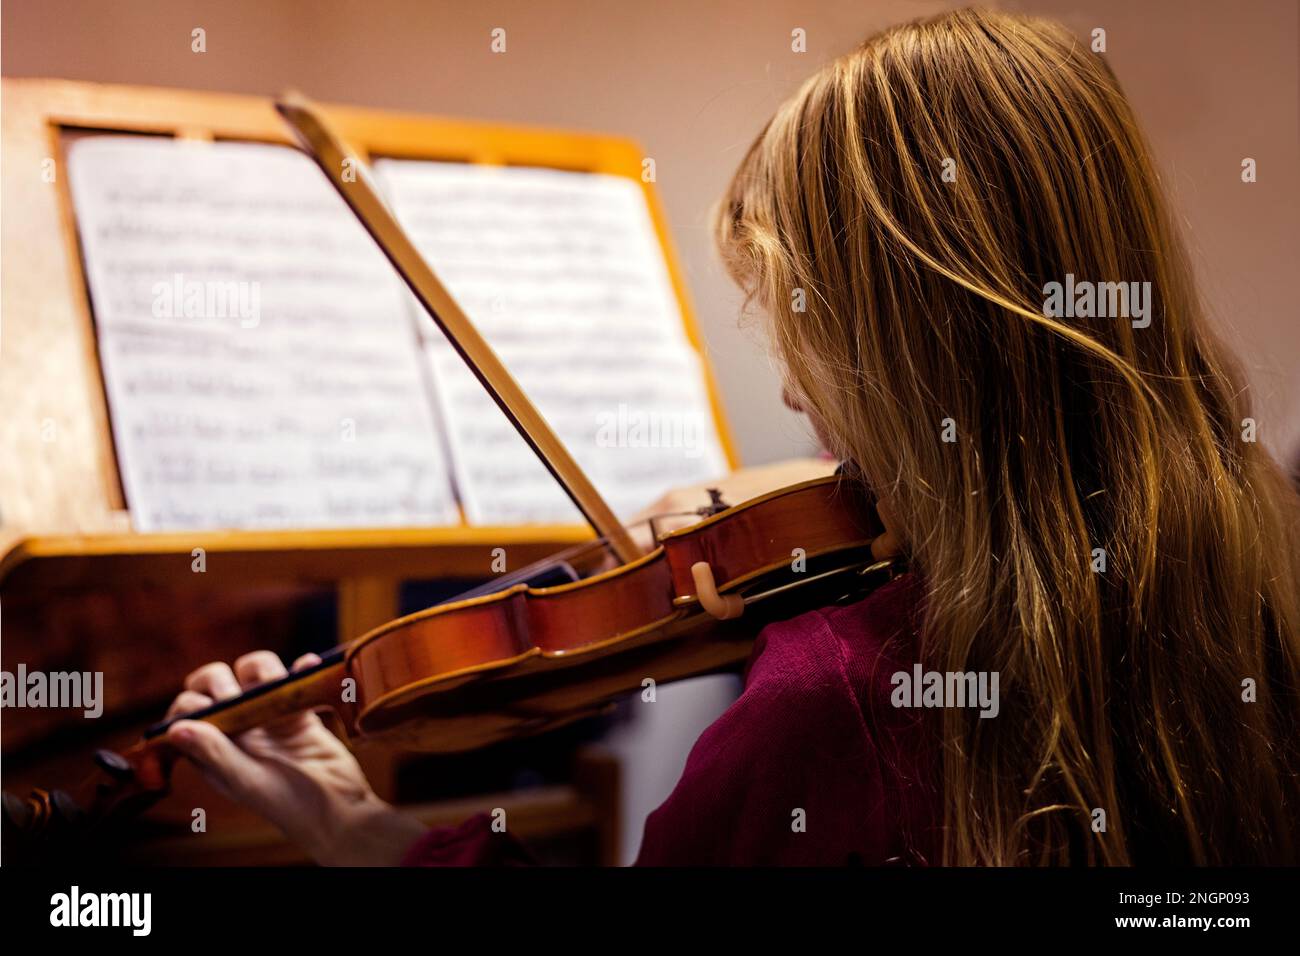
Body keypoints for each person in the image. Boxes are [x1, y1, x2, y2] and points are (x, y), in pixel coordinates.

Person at [163, 7, 1300, 866]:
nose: (799, 408)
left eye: (809, 338)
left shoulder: (835, 712)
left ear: (906, 350)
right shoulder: (1253, 562)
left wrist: (362, 828)